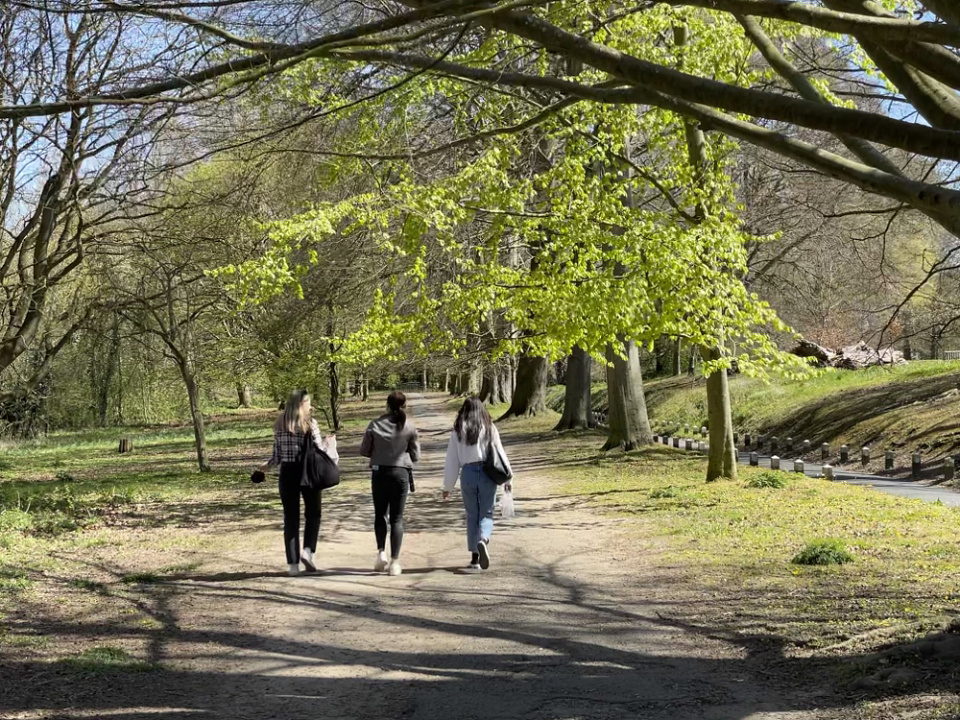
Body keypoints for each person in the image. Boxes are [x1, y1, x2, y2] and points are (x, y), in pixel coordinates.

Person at [258, 389, 338, 576]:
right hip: (308, 472)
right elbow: (319, 450)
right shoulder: (310, 423)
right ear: (302, 404)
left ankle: (292, 565)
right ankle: (308, 551)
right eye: (309, 402)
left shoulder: (279, 424)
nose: (311, 406)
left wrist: (266, 466)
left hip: (287, 473)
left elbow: (276, 456)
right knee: (313, 514)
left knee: (290, 519)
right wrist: (330, 443)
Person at [443, 397, 513, 571]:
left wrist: (447, 487)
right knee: (486, 512)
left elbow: (452, 460)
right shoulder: (489, 428)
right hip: (487, 473)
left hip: (467, 474)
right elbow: (500, 453)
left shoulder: (457, 430)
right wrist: (508, 478)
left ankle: (474, 559)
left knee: (472, 515)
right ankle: (483, 539)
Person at [359, 391, 420, 576]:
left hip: (379, 472)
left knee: (380, 514)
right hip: (400, 473)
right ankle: (394, 562)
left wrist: (379, 453)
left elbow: (364, 450)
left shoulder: (375, 424)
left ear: (387, 405)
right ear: (405, 406)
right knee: (397, 518)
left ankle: (380, 553)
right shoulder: (409, 426)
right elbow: (416, 456)